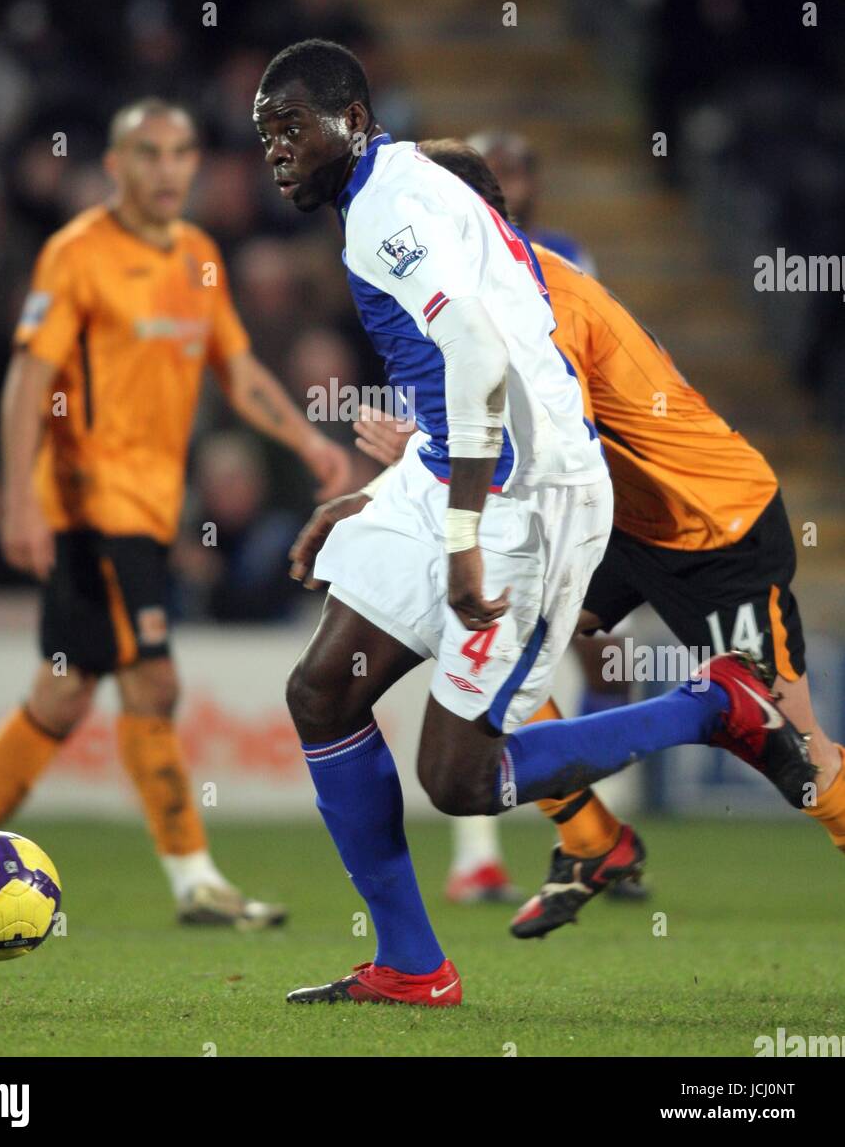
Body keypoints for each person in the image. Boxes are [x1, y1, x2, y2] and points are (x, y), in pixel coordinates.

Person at [253, 39, 814, 1006]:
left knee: (459, 778)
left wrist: (464, 533)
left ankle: (713, 705)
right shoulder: (396, 187)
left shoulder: (390, 206)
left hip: (528, 498)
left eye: (293, 126)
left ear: (352, 116)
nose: (275, 149)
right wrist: (374, 496)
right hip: (452, 471)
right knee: (321, 693)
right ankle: (412, 968)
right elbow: (457, 369)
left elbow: (472, 350)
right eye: (265, 133)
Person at [345, 135, 845, 941]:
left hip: (712, 525)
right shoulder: (487, 295)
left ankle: (619, 829)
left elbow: (539, 447)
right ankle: (591, 842)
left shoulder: (545, 301)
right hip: (620, 520)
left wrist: (406, 463)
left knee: (799, 757)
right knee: (480, 635)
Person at [0, 97, 351, 930]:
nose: (168, 169)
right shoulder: (77, 255)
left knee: (64, 693)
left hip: (148, 514)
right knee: (155, 682)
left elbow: (237, 368)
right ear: (114, 165)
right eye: (148, 153)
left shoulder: (201, 257)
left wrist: (308, 440)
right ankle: (195, 883)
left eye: (181, 153)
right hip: (92, 508)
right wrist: (24, 499)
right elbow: (29, 381)